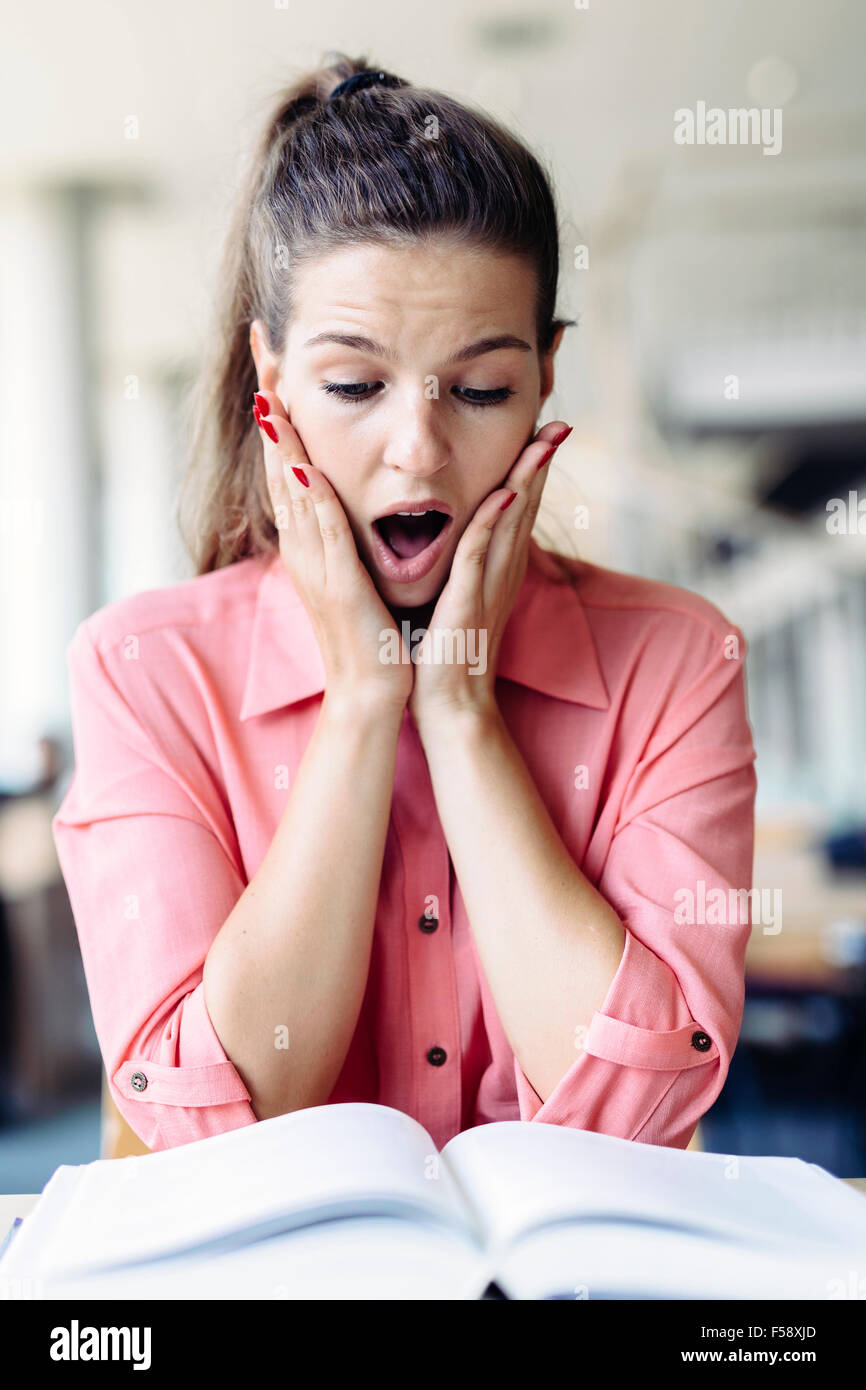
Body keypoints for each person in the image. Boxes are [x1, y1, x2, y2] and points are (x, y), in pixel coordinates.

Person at [51, 54, 758, 1156]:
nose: (419, 449)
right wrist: (360, 708)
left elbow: (641, 1109)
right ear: (268, 377)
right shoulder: (143, 669)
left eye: (480, 389)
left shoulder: (676, 660)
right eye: (352, 386)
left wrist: (462, 716)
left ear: (545, 376)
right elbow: (204, 1128)